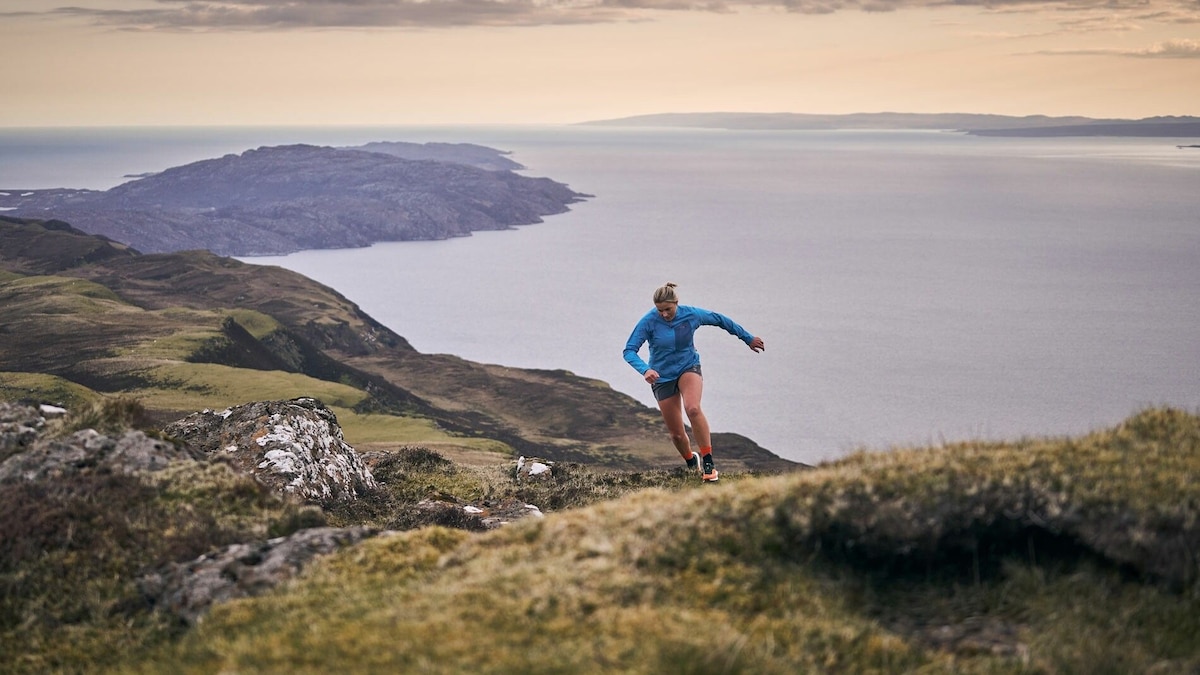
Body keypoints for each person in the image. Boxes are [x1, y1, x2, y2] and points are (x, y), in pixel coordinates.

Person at [623, 282, 764, 482]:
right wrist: (645, 370)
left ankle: (708, 463)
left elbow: (720, 320)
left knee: (693, 409)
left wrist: (747, 338)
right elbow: (629, 350)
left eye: (668, 309)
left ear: (676, 303)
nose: (663, 314)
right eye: (659, 310)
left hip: (688, 367)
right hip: (661, 376)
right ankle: (691, 460)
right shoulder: (648, 321)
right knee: (677, 435)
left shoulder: (691, 314)